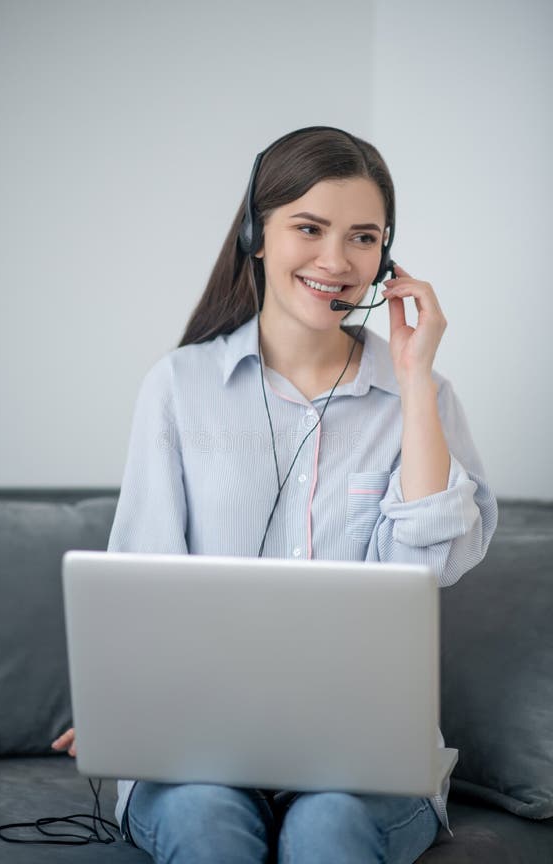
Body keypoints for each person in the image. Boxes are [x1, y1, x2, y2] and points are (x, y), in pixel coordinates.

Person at [52, 126, 498, 863]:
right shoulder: (178, 387)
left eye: (363, 238)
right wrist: (124, 705)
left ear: (386, 257)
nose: (335, 261)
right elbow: (146, 576)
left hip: (365, 752)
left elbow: (436, 564)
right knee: (201, 821)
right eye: (309, 228)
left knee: (328, 828)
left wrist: (415, 378)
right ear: (257, 234)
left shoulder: (424, 395)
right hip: (194, 746)